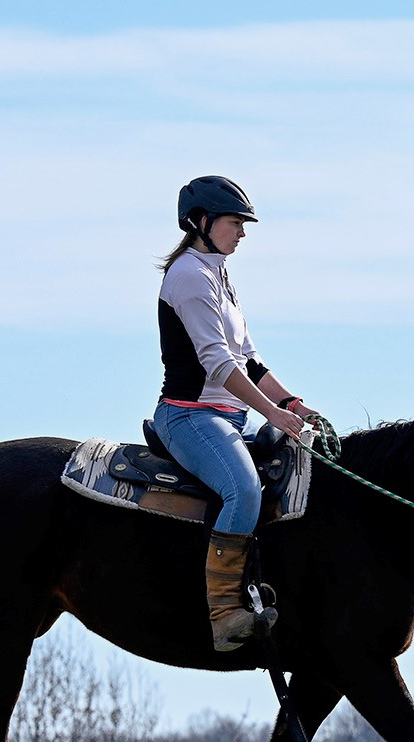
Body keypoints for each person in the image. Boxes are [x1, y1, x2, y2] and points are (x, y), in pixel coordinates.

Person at [155, 175, 314, 651]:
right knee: (242, 490)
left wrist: (292, 404)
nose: (242, 232)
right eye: (234, 222)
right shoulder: (188, 275)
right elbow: (219, 364)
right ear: (201, 222)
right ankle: (225, 615)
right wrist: (273, 413)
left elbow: (248, 359)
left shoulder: (218, 271)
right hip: (189, 418)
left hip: (229, 418)